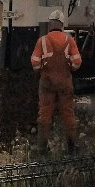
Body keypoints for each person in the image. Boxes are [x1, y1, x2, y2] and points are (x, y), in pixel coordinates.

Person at [30, 9, 82, 154]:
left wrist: (42, 69)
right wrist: (70, 67)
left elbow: (34, 63)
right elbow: (77, 62)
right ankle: (72, 147)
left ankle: (41, 148)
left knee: (45, 113)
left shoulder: (43, 41)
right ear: (62, 25)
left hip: (47, 84)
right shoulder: (69, 40)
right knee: (68, 113)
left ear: (50, 24)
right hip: (65, 84)